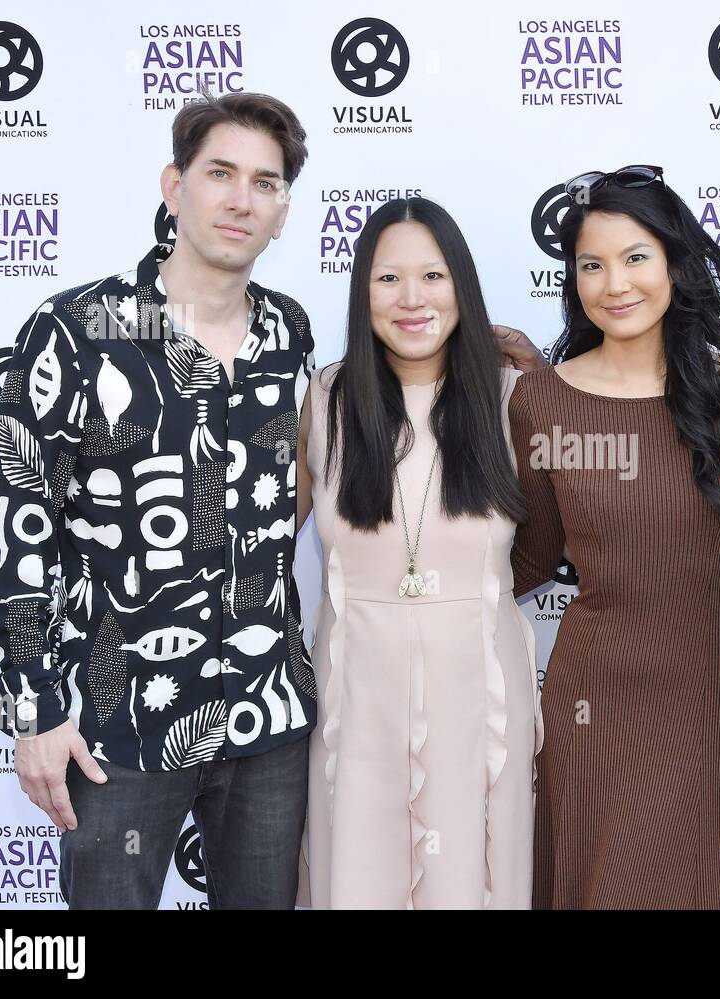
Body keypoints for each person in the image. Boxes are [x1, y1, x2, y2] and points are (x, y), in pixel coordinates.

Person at [0, 92, 319, 908]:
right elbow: (21, 524)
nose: (243, 199)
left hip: (266, 712)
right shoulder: (77, 329)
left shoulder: (290, 333)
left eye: (266, 184)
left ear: (282, 212)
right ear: (174, 186)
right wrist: (33, 710)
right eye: (221, 174)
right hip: (117, 719)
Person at [509, 166, 720, 909]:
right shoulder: (540, 398)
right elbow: (529, 557)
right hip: (593, 699)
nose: (613, 282)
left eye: (635, 257)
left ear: (676, 265)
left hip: (705, 690)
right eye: (591, 264)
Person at [296, 198, 541, 909]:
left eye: (433, 276)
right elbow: (255, 533)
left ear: (462, 285)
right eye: (387, 279)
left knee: (478, 879)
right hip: (356, 696)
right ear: (360, 292)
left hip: (481, 695)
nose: (412, 299)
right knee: (357, 876)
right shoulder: (326, 399)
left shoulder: (514, 398)